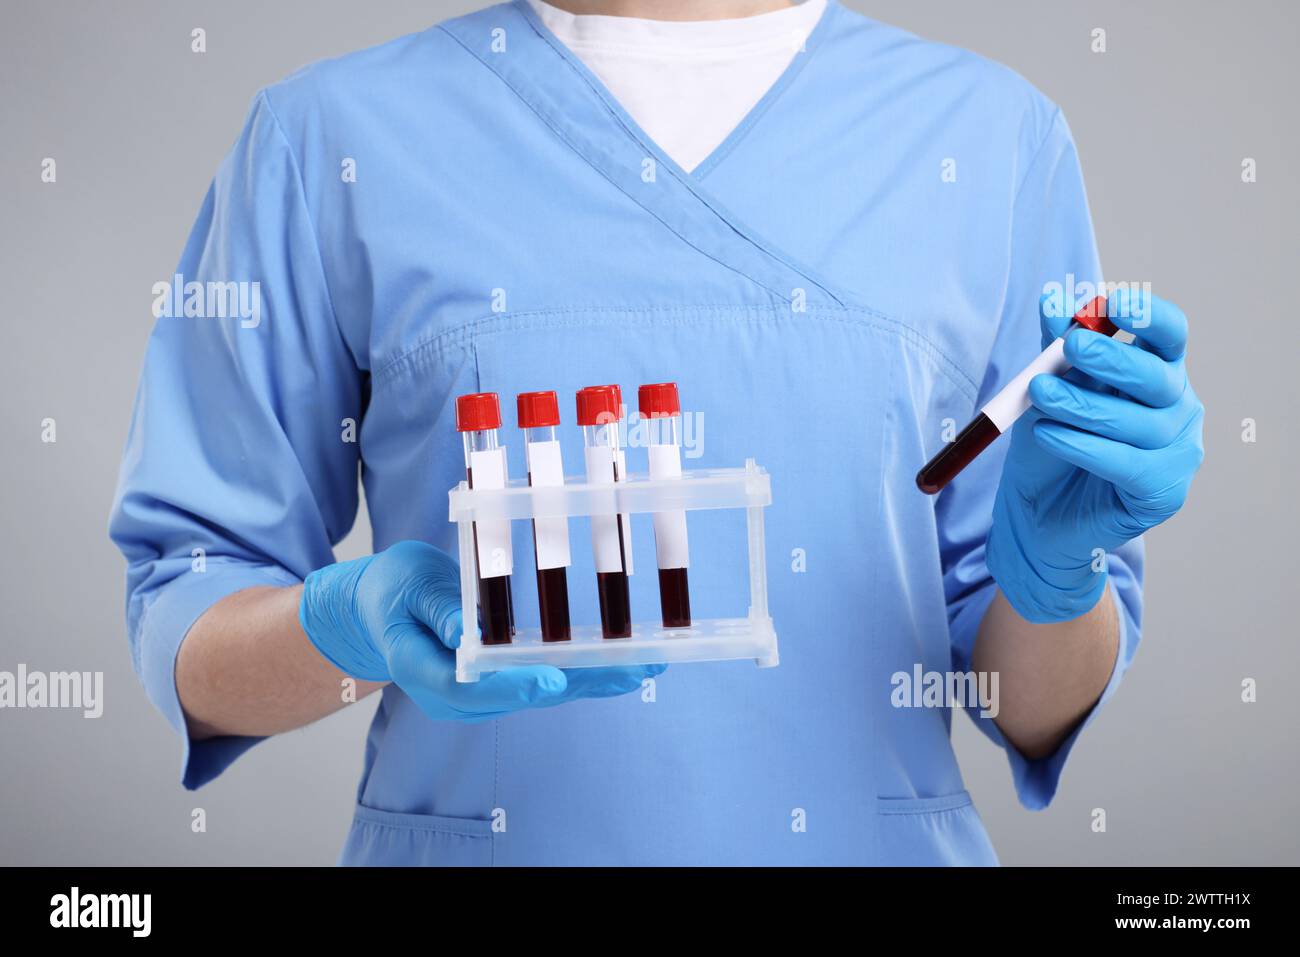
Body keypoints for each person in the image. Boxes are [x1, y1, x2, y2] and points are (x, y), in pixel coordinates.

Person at [109, 0, 1204, 865]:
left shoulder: (988, 136)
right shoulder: (327, 138)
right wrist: (344, 628)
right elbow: (189, 622)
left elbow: (1024, 708)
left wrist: (1055, 577)